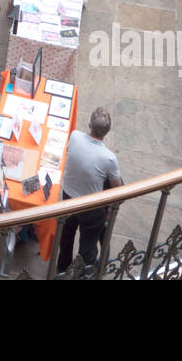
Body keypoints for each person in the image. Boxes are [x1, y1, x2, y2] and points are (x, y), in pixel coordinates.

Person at [57, 106, 122, 275]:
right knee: (88, 246)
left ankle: (62, 268)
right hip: (91, 208)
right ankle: (84, 273)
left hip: (69, 199)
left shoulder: (74, 137)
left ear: (89, 124)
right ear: (107, 131)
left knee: (66, 237)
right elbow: (117, 188)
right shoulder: (109, 158)